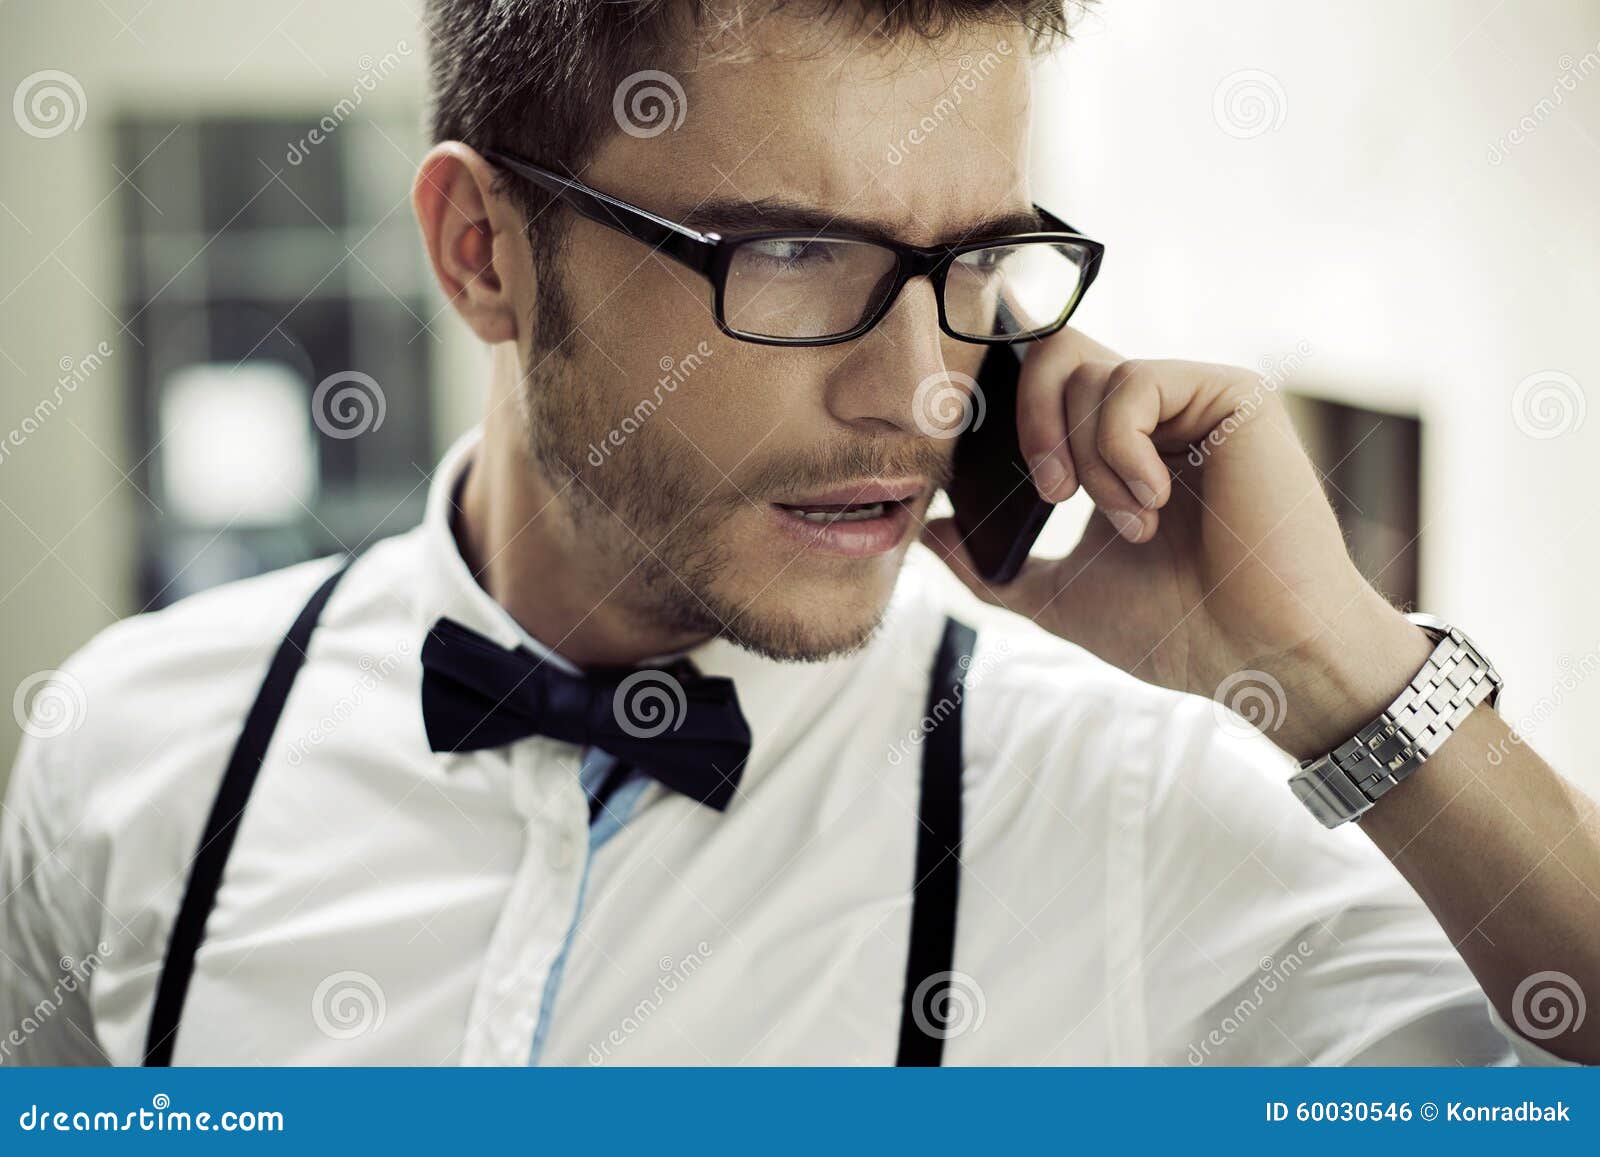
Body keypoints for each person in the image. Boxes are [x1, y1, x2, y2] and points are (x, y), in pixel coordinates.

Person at [3, 0, 1595, 1067]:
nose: (923, 396)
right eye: (788, 254)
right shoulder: (128, 749)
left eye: (977, 258)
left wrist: (1340, 671)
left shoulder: (1124, 813)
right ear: (483, 249)